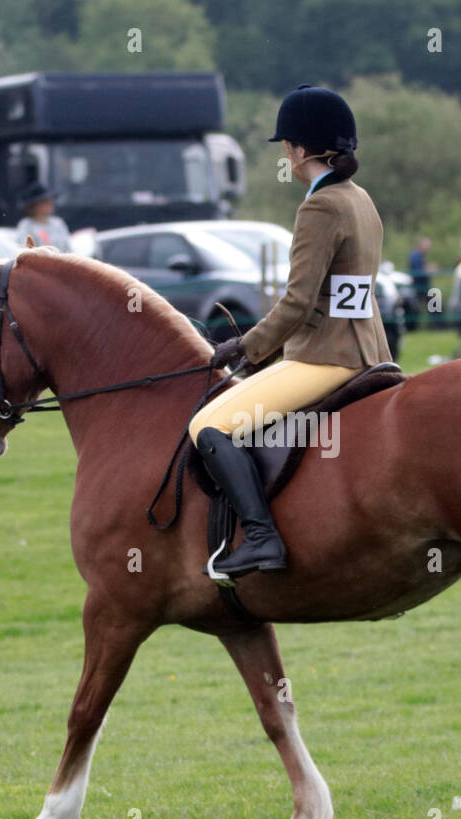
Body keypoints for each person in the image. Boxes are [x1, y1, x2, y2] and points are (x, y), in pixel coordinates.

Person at [188, 84, 392, 577]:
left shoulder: (319, 207)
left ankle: (261, 538)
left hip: (325, 358)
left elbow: (298, 302)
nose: (285, 153)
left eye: (286, 145)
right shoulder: (360, 199)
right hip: (370, 351)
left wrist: (246, 346)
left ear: (299, 149)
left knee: (208, 427)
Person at [14, 183, 70, 250]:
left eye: (50, 200)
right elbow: (24, 249)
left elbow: (68, 248)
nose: (50, 204)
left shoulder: (58, 223)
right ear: (34, 205)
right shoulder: (26, 225)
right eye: (45, 202)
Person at [408, 236, 432, 319]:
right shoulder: (415, 256)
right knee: (435, 301)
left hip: (423, 287)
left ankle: (437, 325)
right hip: (419, 288)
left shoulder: (419, 255)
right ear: (422, 245)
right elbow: (418, 271)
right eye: (427, 245)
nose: (429, 248)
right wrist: (428, 269)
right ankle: (438, 325)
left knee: (435, 301)